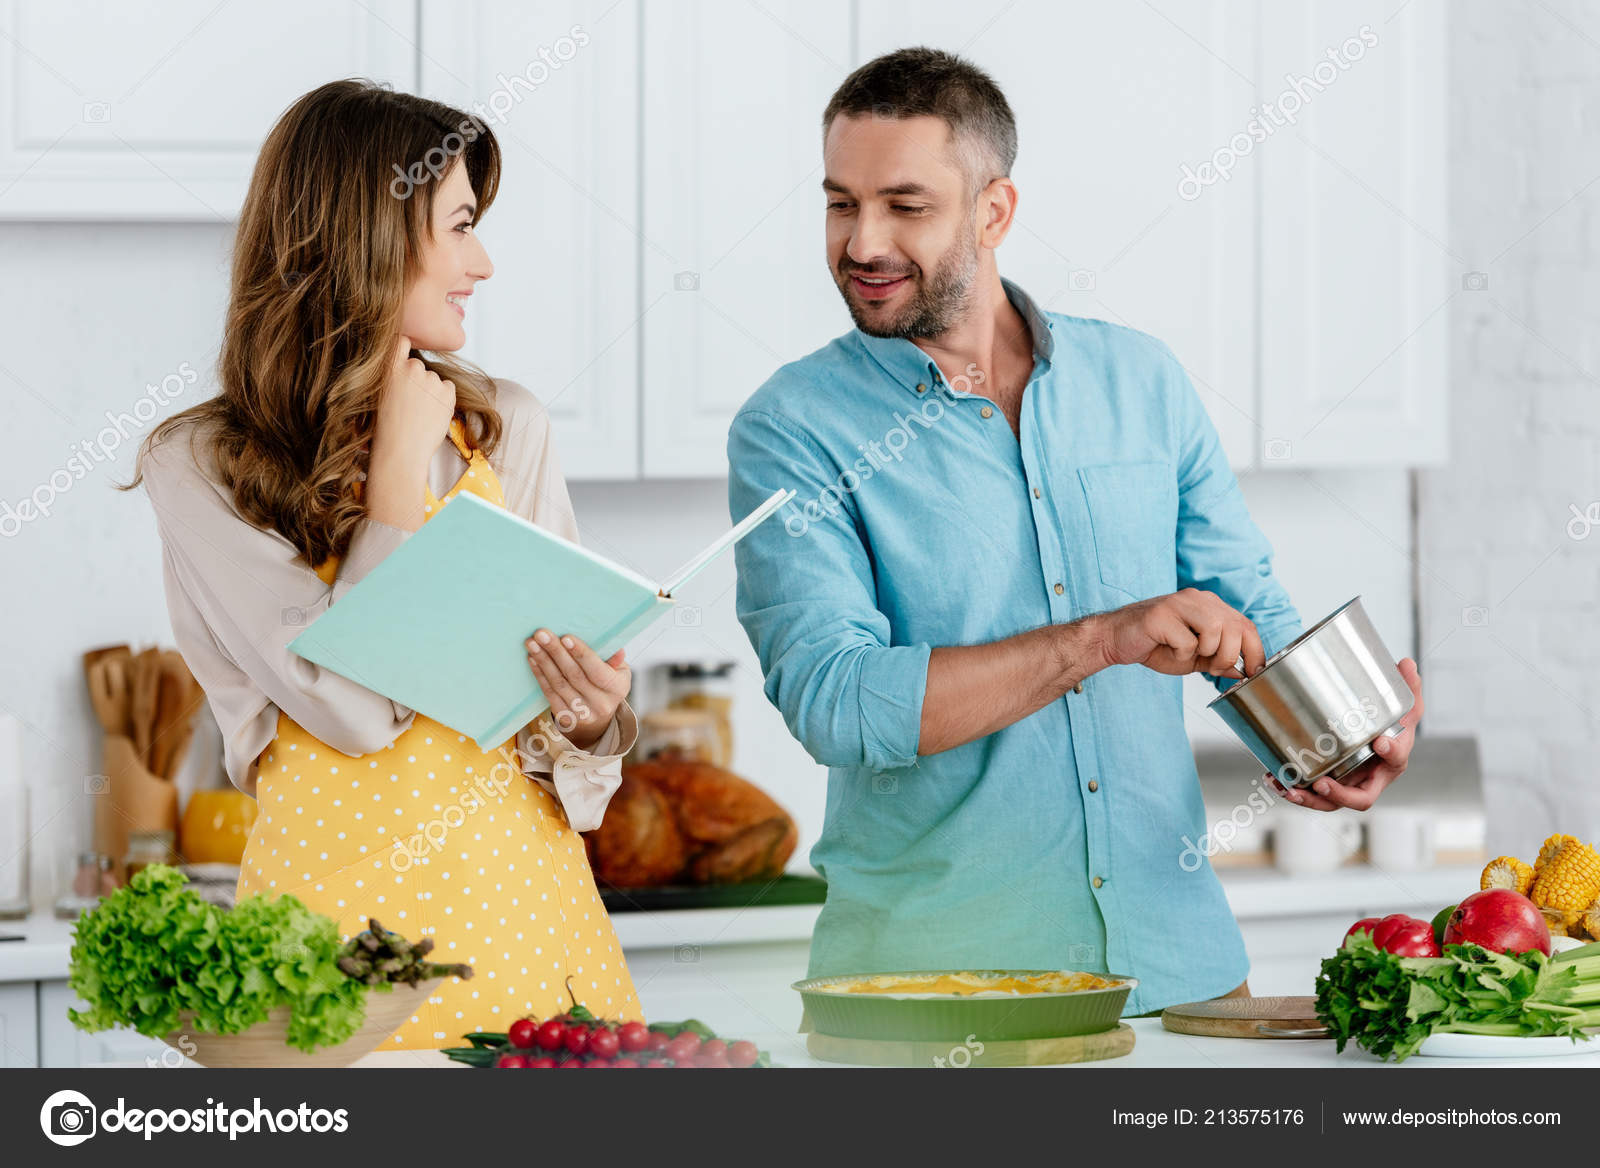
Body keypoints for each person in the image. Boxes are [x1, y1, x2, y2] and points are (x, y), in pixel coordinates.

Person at [725, 48, 1424, 1015]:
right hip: (936, 997)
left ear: (994, 211)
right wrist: (1103, 639)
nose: (862, 242)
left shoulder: (1140, 381)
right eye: (841, 203)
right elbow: (837, 705)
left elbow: (1243, 610)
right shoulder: (792, 427)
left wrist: (1339, 733)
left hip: (1184, 973)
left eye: (905, 205)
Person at [123, 79, 644, 1048]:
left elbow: (560, 765)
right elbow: (353, 713)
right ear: (366, 234)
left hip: (536, 947)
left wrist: (594, 719)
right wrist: (400, 466)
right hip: (333, 983)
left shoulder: (504, 427)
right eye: (457, 226)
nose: (481, 262)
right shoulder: (198, 466)